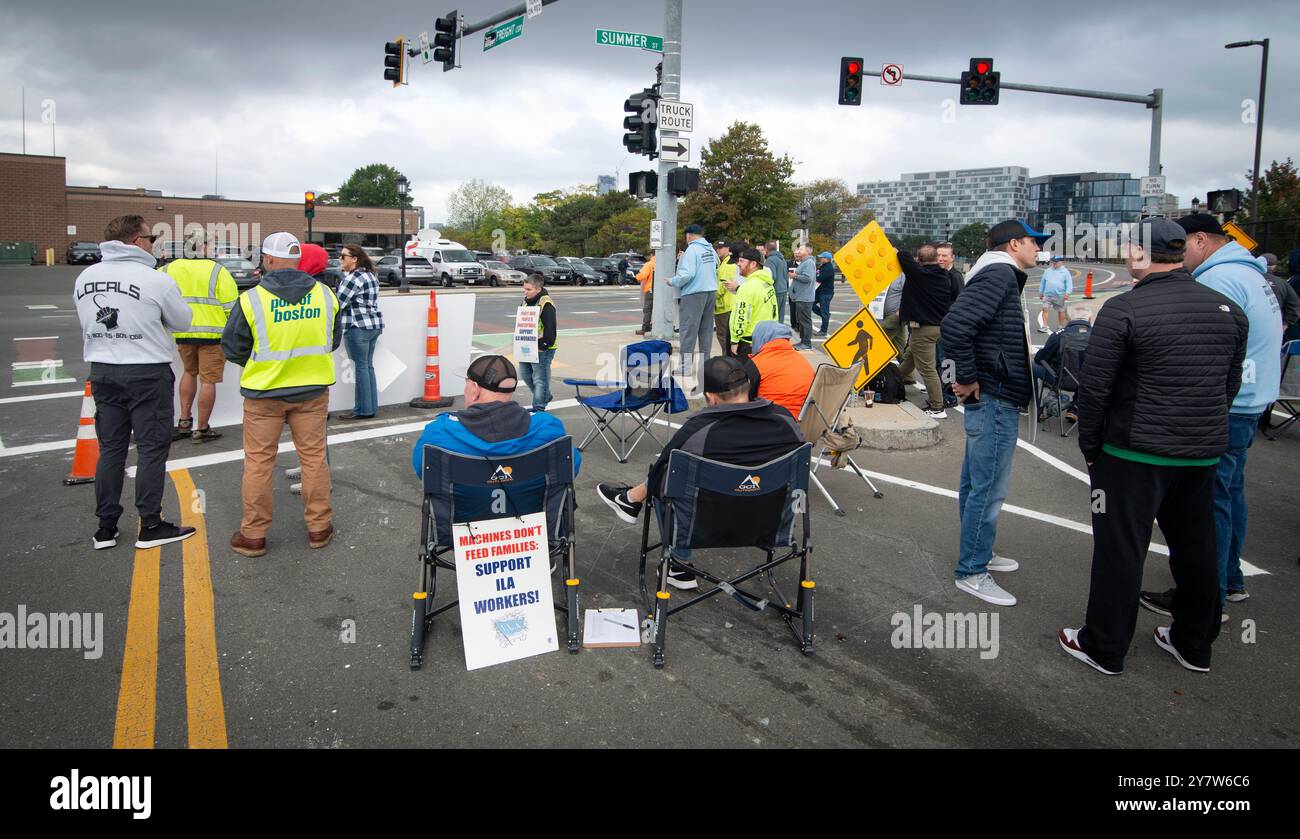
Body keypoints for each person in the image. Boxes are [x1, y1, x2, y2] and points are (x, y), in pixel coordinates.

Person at [1060, 218, 1248, 675]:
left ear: (1138, 254)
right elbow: (1229, 385)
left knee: (1121, 549)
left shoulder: (1123, 309)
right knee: (1196, 547)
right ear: (1181, 252)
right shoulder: (1227, 310)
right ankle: (1194, 642)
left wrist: (1091, 448)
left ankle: (1104, 644)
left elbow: (1095, 389)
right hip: (1200, 452)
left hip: (1133, 454)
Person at [1139, 214, 1282, 616]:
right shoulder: (1250, 273)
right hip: (1252, 398)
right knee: (1230, 493)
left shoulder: (1218, 279)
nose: (1178, 255)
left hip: (1226, 403)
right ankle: (1230, 580)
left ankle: (1206, 597)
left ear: (1200, 240)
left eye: (1181, 245)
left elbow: (1196, 346)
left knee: (1205, 505)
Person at [594, 356, 804, 589]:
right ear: (748, 387)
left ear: (712, 398)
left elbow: (659, 481)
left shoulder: (699, 430)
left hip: (706, 523)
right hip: (769, 522)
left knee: (668, 478)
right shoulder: (785, 421)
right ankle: (631, 499)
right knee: (674, 472)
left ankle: (679, 565)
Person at [940, 220, 1046, 606]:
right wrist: (965, 377)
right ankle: (972, 568)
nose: (1039, 249)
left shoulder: (996, 272)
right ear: (1014, 243)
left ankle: (979, 551)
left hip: (992, 394)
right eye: (1034, 242)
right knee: (988, 486)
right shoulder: (1000, 274)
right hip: (994, 395)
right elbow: (956, 325)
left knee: (976, 482)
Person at [75, 214, 196, 551]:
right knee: (152, 448)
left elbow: (83, 318)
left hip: (102, 367)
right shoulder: (155, 279)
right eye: (151, 238)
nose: (153, 244)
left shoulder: (86, 277)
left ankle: (106, 526)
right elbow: (183, 320)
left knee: (112, 448)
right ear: (137, 241)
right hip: (146, 369)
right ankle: (151, 524)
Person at [222, 232, 342, 558]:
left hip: (264, 394)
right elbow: (332, 340)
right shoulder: (326, 294)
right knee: (313, 458)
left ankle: (254, 534)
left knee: (259, 462)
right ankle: (319, 527)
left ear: (269, 259)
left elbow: (233, 347)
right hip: (312, 391)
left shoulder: (251, 299)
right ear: (297, 260)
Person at [410, 354, 580, 476]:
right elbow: (572, 465)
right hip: (533, 517)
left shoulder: (440, 432)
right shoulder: (548, 427)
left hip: (460, 521)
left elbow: (422, 470)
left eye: (466, 383)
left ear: (475, 389)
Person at [160, 233, 238, 443]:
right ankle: (202, 429)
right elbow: (231, 306)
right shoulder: (217, 270)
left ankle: (184, 421)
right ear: (203, 247)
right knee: (208, 381)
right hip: (213, 334)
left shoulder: (169, 269)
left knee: (188, 372)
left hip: (183, 331)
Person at [897, 243, 955, 418]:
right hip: (936, 326)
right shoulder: (944, 275)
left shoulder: (920, 275)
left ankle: (937, 407)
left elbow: (903, 256)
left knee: (927, 369)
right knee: (909, 359)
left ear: (920, 259)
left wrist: (898, 251)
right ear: (937, 259)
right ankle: (893, 383)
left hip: (925, 328)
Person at [332, 244, 385, 420]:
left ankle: (363, 410)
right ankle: (369, 408)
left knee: (362, 367)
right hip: (373, 325)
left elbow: (337, 304)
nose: (341, 259)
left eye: (343, 256)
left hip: (357, 327)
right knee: (367, 366)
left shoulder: (352, 279)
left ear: (354, 259)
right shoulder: (370, 275)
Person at [668, 225, 718, 381]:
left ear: (689, 236)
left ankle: (684, 367)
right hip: (711, 291)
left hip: (694, 293)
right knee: (706, 330)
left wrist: (672, 281)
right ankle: (706, 367)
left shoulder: (692, 250)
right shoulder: (710, 249)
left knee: (688, 330)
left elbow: (687, 274)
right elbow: (716, 266)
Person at [742, 320, 815, 418]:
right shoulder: (802, 362)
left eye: (754, 340)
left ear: (762, 339)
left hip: (773, 422)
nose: (751, 345)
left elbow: (743, 400)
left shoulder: (757, 363)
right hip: (804, 422)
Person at [1032, 304, 1092, 422]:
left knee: (1032, 366)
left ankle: (1035, 406)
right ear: (1089, 319)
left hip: (1061, 379)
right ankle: (1075, 407)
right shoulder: (1098, 335)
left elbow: (1040, 358)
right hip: (1090, 382)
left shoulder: (1059, 335)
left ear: (1069, 318)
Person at [729, 248, 778, 361]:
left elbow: (741, 315)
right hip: (766, 339)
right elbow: (774, 312)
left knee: (744, 376)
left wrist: (734, 340)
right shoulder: (767, 283)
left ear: (753, 264)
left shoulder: (747, 287)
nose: (738, 264)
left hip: (748, 343)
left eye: (741, 261)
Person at [518, 275, 558, 412]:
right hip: (526, 346)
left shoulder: (546, 303)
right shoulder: (525, 302)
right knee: (525, 375)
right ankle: (545, 395)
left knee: (540, 379)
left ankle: (538, 408)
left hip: (543, 348)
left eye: (528, 289)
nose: (525, 292)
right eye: (524, 289)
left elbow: (550, 329)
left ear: (538, 289)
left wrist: (543, 345)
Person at [713, 240, 739, 357]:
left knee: (723, 336)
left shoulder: (727, 265)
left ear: (728, 249)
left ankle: (727, 359)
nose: (718, 250)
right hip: (729, 305)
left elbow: (723, 286)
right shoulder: (726, 262)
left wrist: (712, 298)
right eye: (717, 248)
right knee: (727, 336)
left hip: (725, 306)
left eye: (721, 248)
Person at [789, 245, 817, 350]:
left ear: (807, 252)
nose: (798, 251)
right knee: (802, 320)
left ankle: (806, 343)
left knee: (805, 321)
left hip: (804, 297)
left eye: (801, 249)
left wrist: (794, 276)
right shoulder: (805, 262)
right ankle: (803, 341)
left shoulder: (809, 263)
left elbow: (807, 278)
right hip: (801, 296)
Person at [1038, 255, 1072, 334]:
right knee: (1045, 309)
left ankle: (1060, 326)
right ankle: (1045, 326)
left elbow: (1069, 284)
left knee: (1061, 311)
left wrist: (1067, 293)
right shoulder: (1047, 270)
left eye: (1055, 262)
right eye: (1053, 262)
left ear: (1061, 262)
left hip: (1059, 295)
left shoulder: (1065, 272)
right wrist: (1041, 292)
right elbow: (1043, 282)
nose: (1054, 264)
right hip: (1047, 294)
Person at [878, 273, 906, 352]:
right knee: (899, 344)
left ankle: (866, 362)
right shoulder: (879, 272)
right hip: (879, 315)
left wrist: (901, 311)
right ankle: (905, 362)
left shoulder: (902, 275)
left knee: (877, 338)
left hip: (894, 316)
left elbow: (911, 293)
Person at [765, 241, 789, 325]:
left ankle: (774, 337)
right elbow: (786, 275)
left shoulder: (770, 260)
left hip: (775, 292)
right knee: (780, 317)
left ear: (766, 249)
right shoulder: (782, 259)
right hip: (783, 290)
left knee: (773, 317)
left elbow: (771, 276)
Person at [813, 251, 836, 337]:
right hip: (819, 292)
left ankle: (823, 330)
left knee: (824, 311)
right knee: (811, 304)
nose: (820, 259)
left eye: (822, 258)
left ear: (826, 259)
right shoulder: (823, 266)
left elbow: (819, 278)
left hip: (826, 293)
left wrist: (815, 276)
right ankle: (825, 315)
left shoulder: (829, 268)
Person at [635, 251, 655, 335]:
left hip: (650, 289)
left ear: (651, 255)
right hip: (662, 290)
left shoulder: (649, 264)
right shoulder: (664, 263)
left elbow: (642, 276)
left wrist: (637, 276)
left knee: (647, 309)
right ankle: (655, 326)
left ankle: (645, 328)